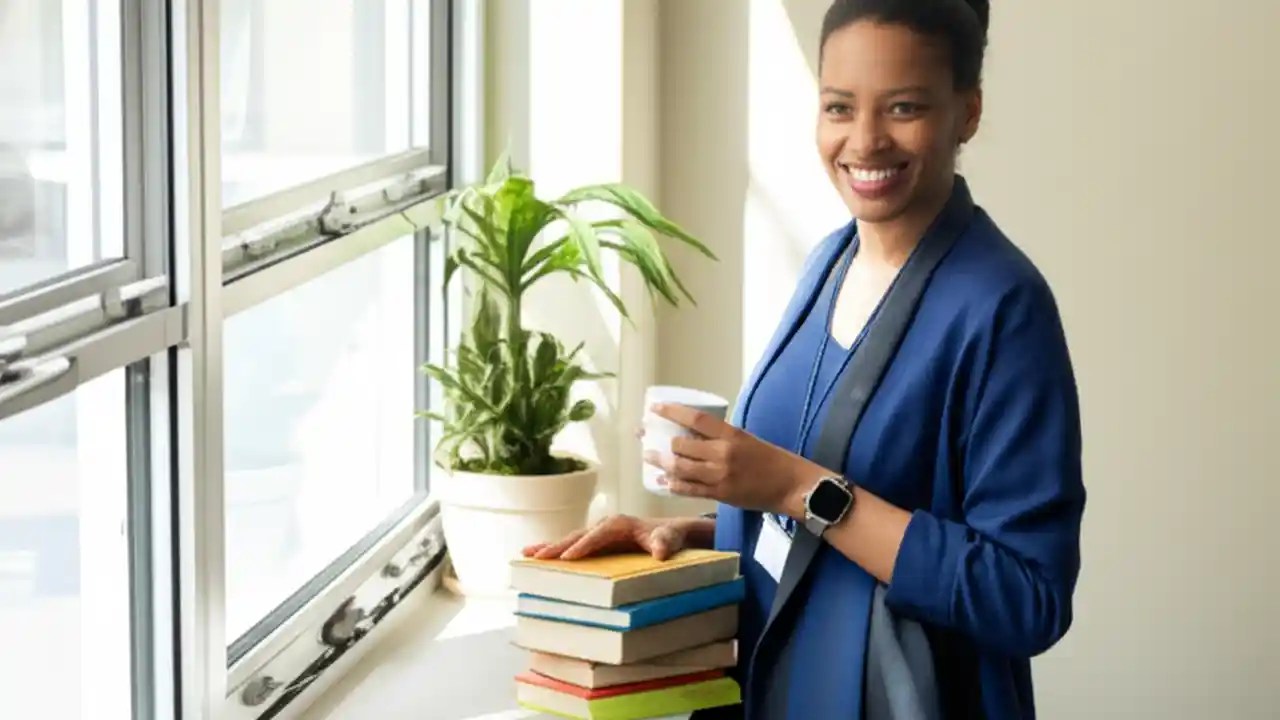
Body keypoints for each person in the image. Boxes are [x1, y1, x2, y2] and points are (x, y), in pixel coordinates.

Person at [523, 0, 1085, 717]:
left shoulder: (1003, 307)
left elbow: (1026, 599)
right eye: (839, 107)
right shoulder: (830, 262)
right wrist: (696, 536)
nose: (866, 140)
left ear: (967, 113)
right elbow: (822, 523)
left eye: (905, 107)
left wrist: (796, 488)